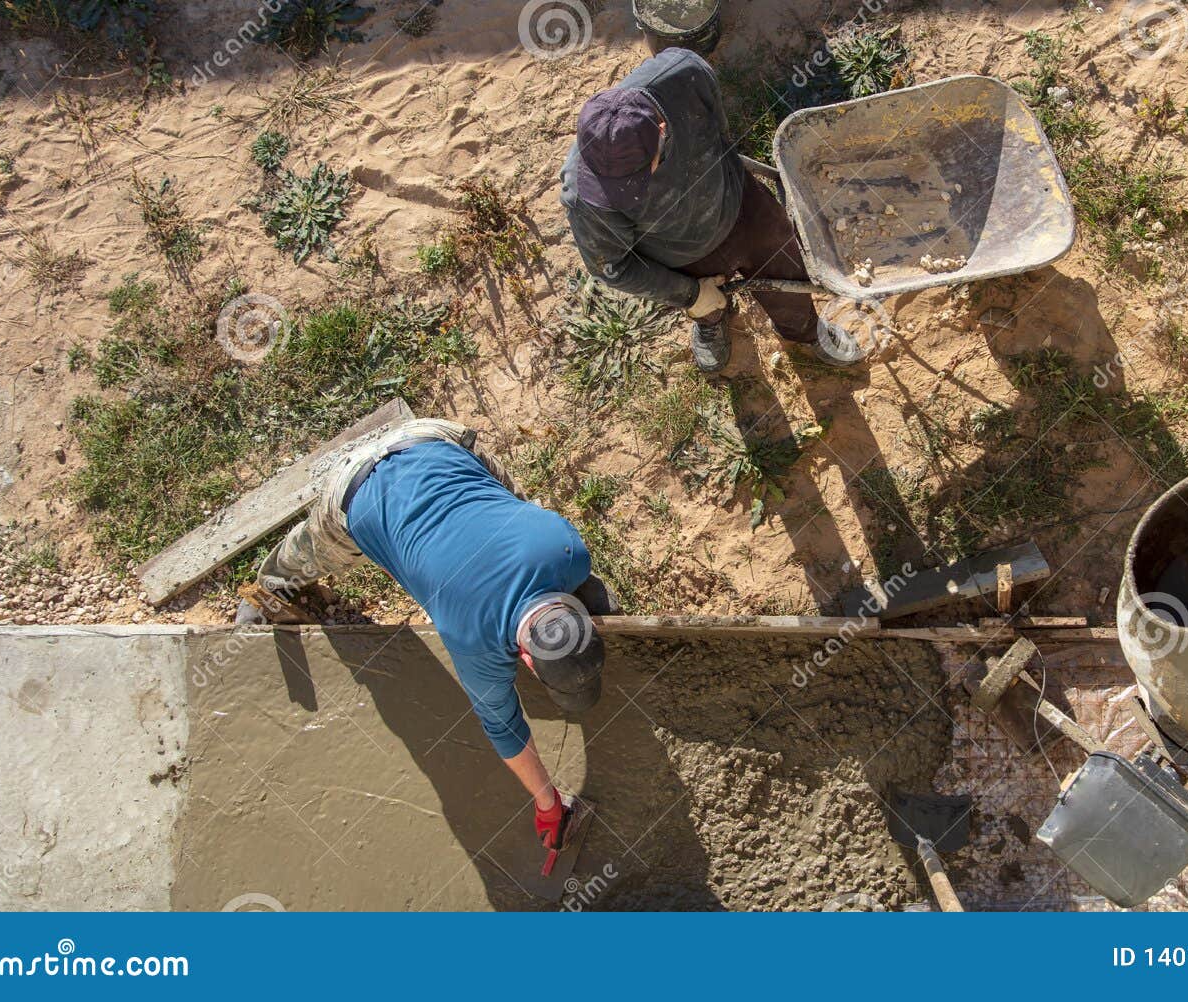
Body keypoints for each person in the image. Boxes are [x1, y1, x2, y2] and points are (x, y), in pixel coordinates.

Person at [236, 416, 615, 860]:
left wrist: (551, 806)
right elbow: (503, 728)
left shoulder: (565, 547)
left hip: (433, 439)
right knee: (311, 553)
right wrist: (547, 804)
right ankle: (273, 586)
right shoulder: (470, 639)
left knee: (504, 502)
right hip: (356, 492)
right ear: (525, 663)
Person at [561, 46, 863, 374]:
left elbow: (720, 132)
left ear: (661, 131)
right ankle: (712, 321)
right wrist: (690, 295)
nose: (622, 190)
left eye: (636, 177)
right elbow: (612, 267)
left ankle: (802, 331)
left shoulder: (683, 73)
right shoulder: (585, 195)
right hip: (680, 255)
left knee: (787, 277)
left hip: (742, 205)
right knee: (707, 304)